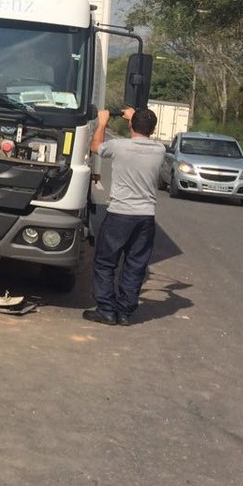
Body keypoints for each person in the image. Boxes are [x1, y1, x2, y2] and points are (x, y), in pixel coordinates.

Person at [84, 106, 166, 326]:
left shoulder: (119, 146)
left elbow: (95, 147)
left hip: (120, 214)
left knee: (105, 263)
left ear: (130, 125)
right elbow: (145, 134)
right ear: (153, 128)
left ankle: (106, 310)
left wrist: (102, 122)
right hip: (145, 218)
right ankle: (124, 313)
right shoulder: (159, 151)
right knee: (135, 266)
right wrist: (136, 119)